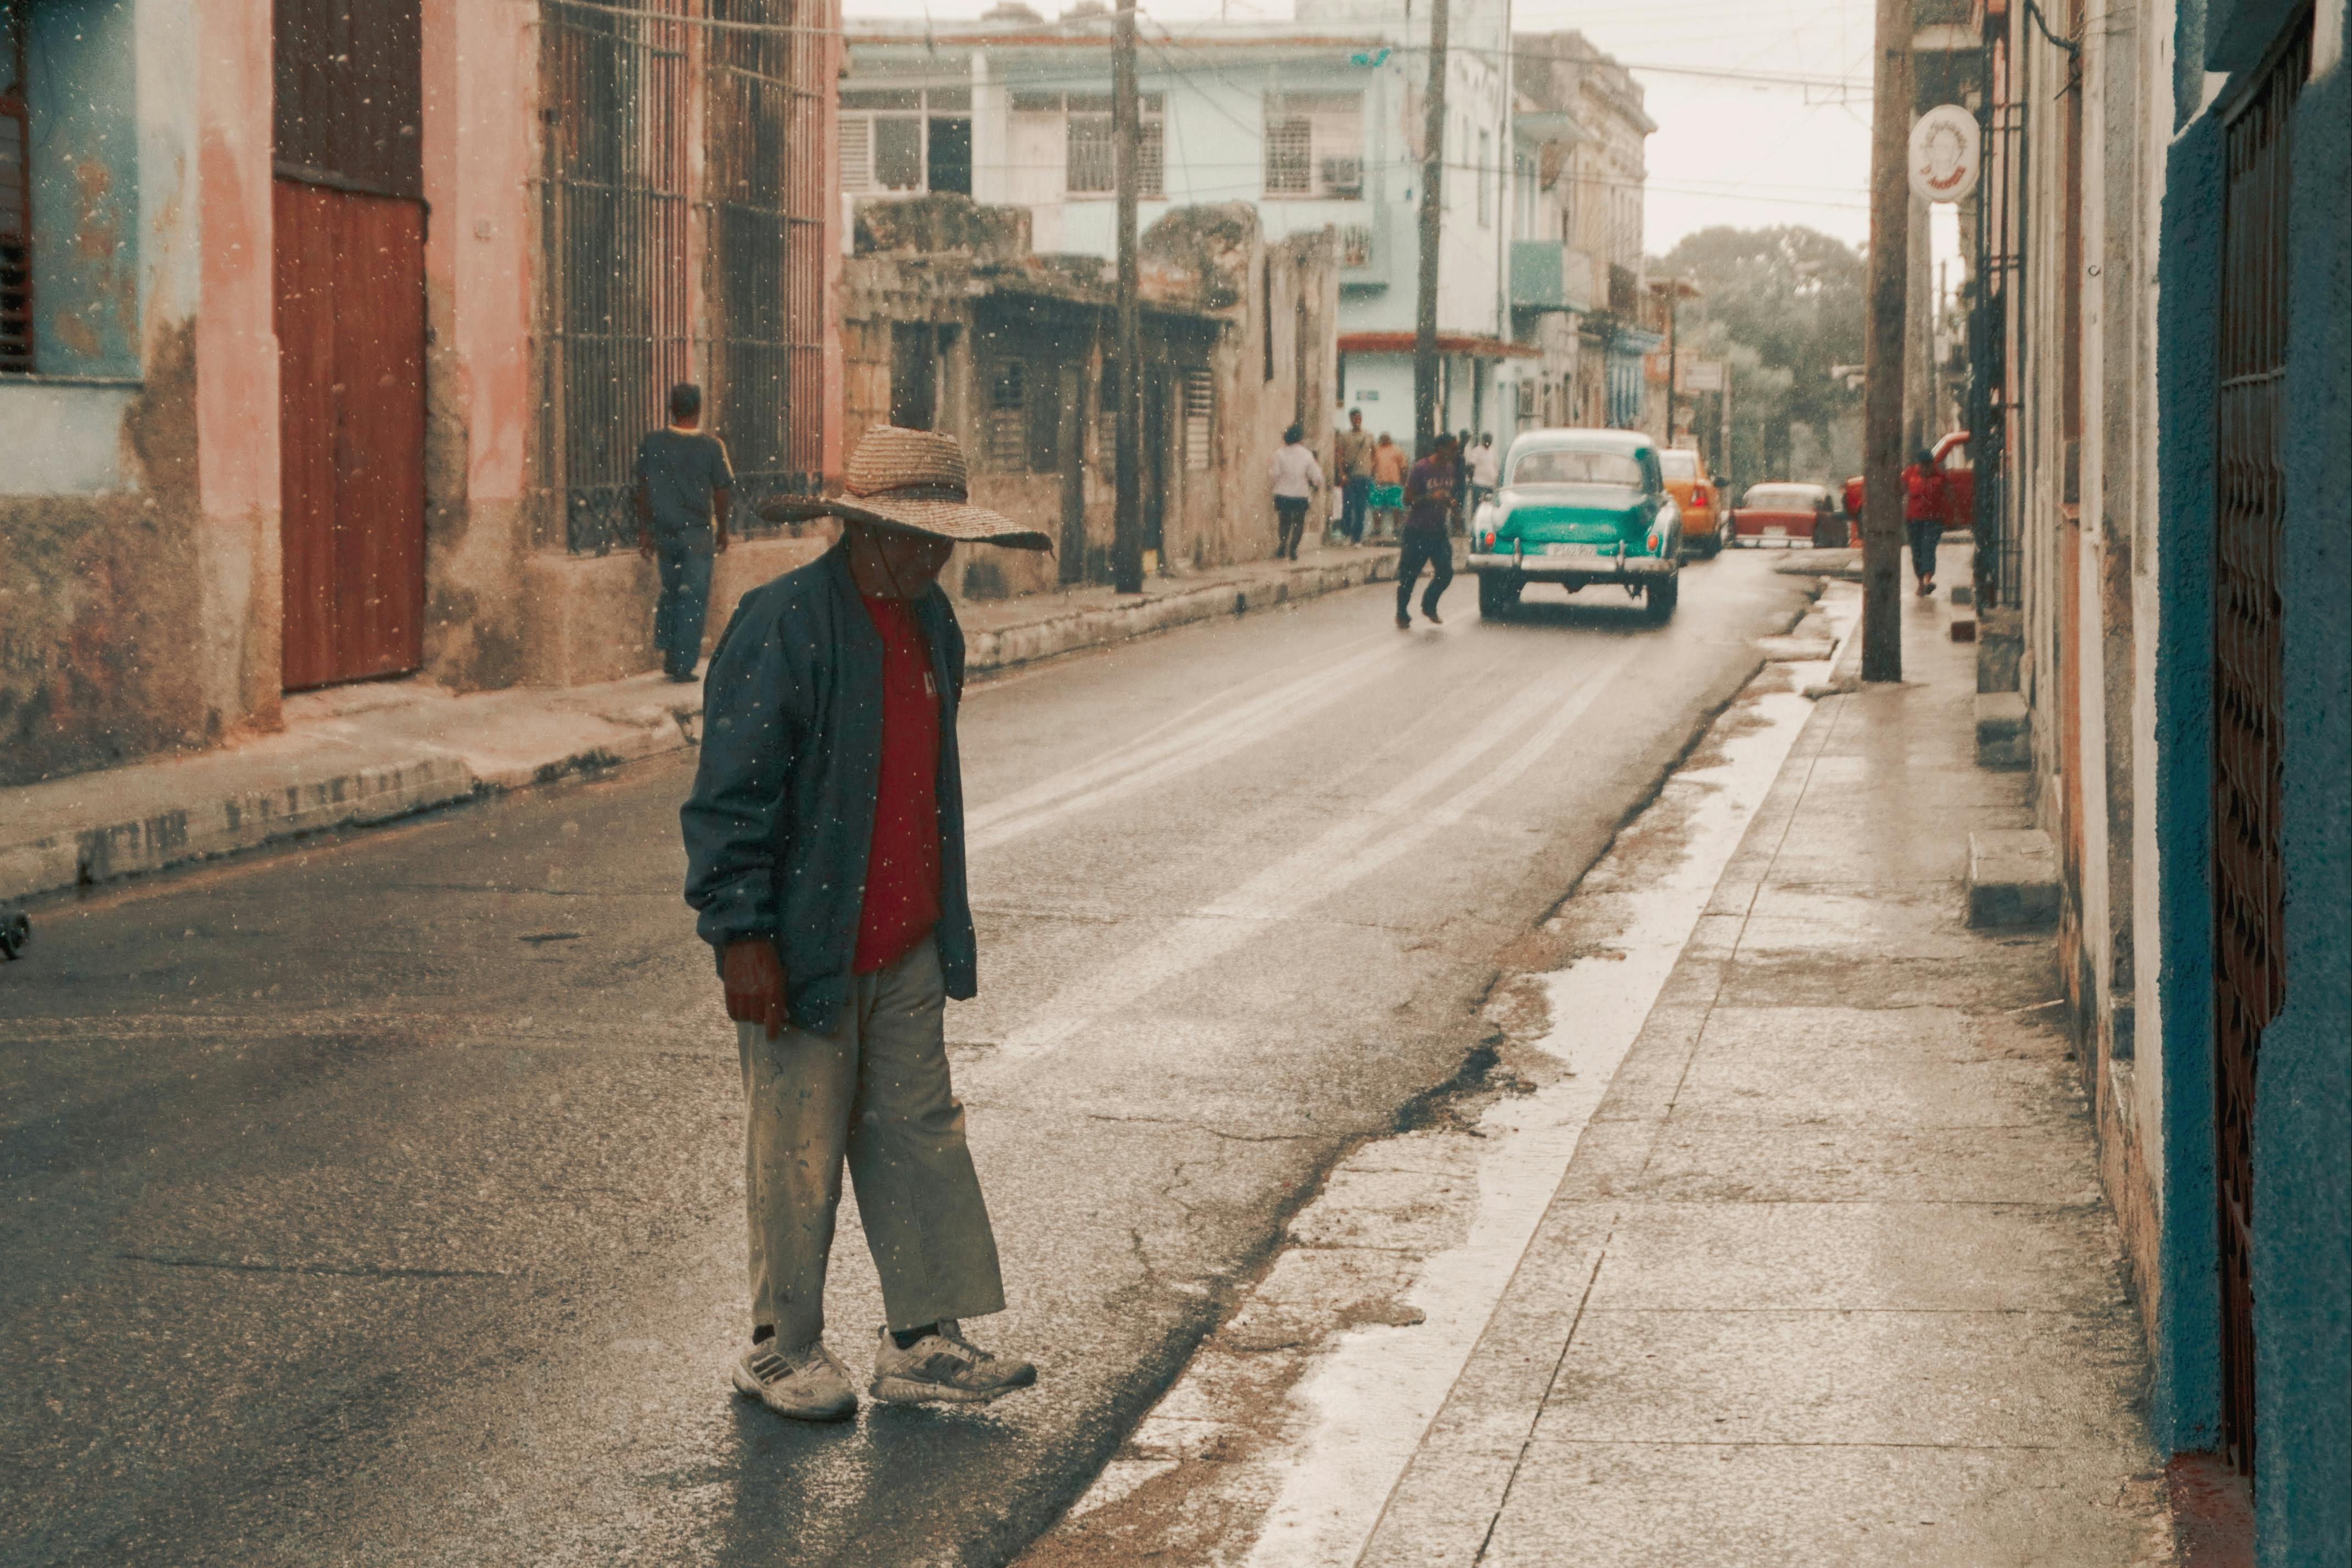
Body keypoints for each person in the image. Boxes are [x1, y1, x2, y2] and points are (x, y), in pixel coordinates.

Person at [683, 425, 1052, 1422]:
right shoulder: (783, 623)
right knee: (795, 1152)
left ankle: (921, 1341)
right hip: (804, 943)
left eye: (942, 542)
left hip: (907, 940)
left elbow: (925, 785)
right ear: (864, 530)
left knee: (919, 1136)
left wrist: (938, 928)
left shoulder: (935, 626)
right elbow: (731, 799)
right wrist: (742, 936)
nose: (931, 560)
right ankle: (779, 1349)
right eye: (914, 539)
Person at [635, 383, 735, 682]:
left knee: (671, 591)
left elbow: (642, 490)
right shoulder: (711, 447)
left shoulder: (652, 443)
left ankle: (669, 654)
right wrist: (724, 529)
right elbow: (722, 490)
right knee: (693, 597)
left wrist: (645, 530)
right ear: (699, 410)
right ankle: (684, 664)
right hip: (697, 534)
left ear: (671, 409)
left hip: (665, 532)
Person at [1397, 433, 1457, 629]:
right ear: (1440, 449)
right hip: (1417, 530)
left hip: (1438, 530)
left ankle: (1429, 604)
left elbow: (1446, 496)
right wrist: (1429, 498)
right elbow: (1407, 500)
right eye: (1452, 449)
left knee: (1446, 572)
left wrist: (1449, 502)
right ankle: (1401, 612)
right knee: (1409, 575)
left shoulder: (1450, 469)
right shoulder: (1421, 468)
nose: (1455, 453)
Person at [1268, 422, 1324, 561]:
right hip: (1301, 494)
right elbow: (1317, 476)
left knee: (1284, 521)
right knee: (1299, 522)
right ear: (1300, 438)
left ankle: (1283, 545)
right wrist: (1314, 484)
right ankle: (1293, 548)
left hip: (1283, 493)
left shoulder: (1279, 454)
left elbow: (1274, 475)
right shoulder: (1307, 455)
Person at [1902, 446, 1944, 596]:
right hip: (1914, 520)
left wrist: (1955, 517)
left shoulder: (1940, 475)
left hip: (1934, 521)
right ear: (1918, 464)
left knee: (1929, 549)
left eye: (1929, 465)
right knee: (1917, 552)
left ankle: (1927, 581)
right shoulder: (1909, 474)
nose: (1926, 469)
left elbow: (1949, 496)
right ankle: (1921, 583)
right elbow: (1900, 491)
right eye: (1923, 465)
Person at [1333, 408, 1375, 545]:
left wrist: (1372, 469)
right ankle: (1347, 534)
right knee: (1347, 507)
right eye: (1354, 418)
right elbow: (1339, 455)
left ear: (1361, 419)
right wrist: (1342, 474)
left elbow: (1374, 453)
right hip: (1350, 476)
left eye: (1358, 418)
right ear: (1350, 419)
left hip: (1364, 475)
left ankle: (1357, 538)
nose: (1356, 420)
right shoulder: (1344, 436)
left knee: (1361, 508)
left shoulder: (1369, 435)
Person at [1369, 433, 1409, 540]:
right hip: (1379, 483)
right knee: (1376, 508)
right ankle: (1377, 529)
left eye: (1386, 438)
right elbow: (1372, 467)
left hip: (1395, 483)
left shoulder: (1397, 450)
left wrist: (1404, 483)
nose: (1385, 439)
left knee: (1396, 508)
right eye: (1383, 438)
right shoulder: (1376, 450)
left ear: (1390, 439)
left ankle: (1397, 528)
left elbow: (1404, 467)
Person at [1467, 432, 1499, 516]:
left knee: (1489, 508)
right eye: (1487, 439)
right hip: (1479, 484)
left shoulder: (1493, 451)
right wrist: (1471, 480)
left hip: (1490, 485)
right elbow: (1471, 466)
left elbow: (1496, 466)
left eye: (1490, 440)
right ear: (1483, 440)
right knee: (1477, 508)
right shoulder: (1477, 451)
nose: (1488, 442)